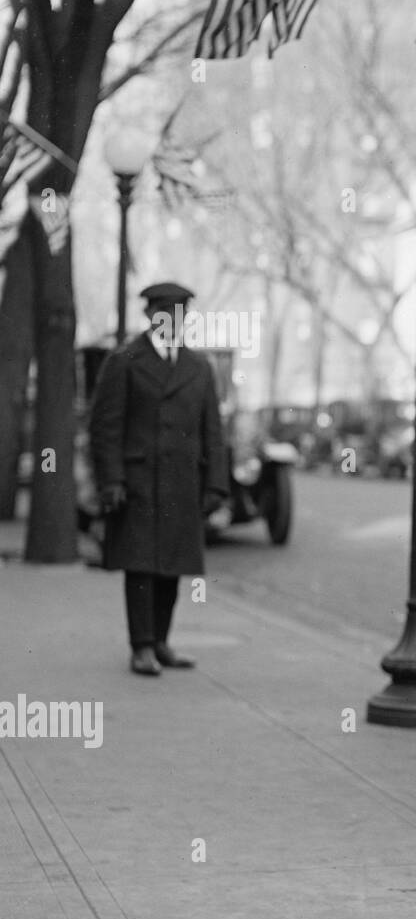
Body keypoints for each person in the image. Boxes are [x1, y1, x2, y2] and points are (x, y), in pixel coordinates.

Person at [89, 283, 228, 677]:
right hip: (137, 483)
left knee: (172, 564)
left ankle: (162, 641)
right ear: (151, 316)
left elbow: (213, 431)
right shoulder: (125, 360)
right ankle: (142, 646)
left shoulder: (199, 366)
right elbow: (106, 426)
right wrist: (111, 480)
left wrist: (216, 485)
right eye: (166, 314)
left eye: (181, 315)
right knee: (141, 565)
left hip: (183, 484)